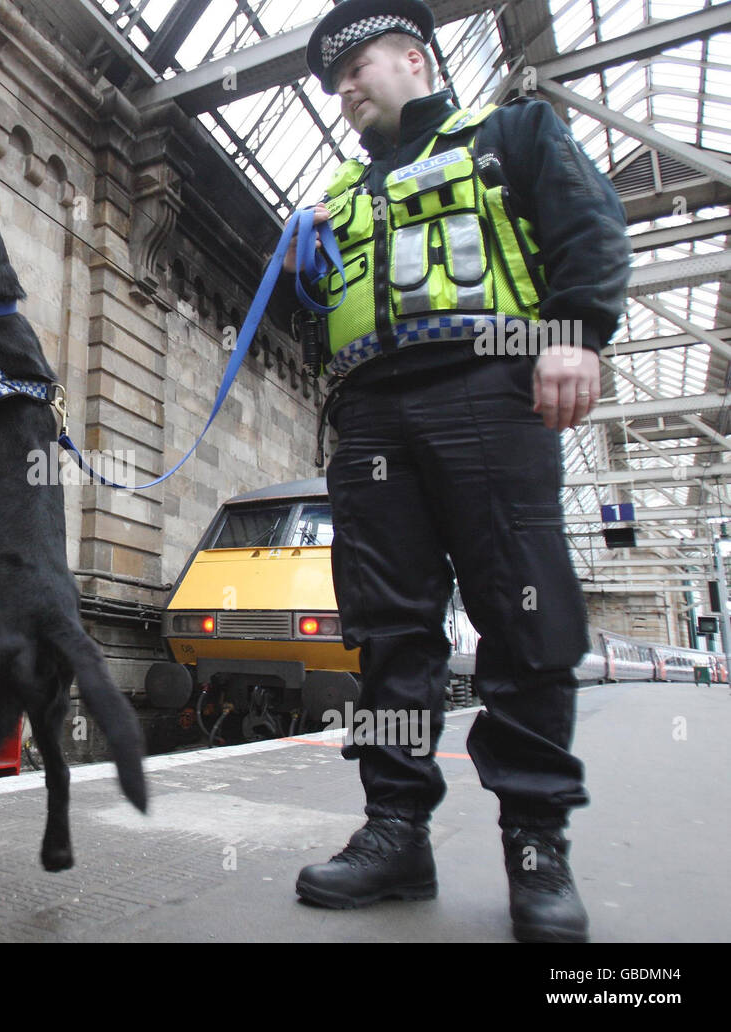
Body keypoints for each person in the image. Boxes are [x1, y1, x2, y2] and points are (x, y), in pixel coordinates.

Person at [267, 0, 631, 943]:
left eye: (357, 69)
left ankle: (536, 847)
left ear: (416, 60)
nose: (344, 92)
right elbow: (319, 311)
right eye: (332, 83)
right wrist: (304, 259)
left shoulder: (512, 134)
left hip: (489, 387)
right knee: (388, 631)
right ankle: (396, 831)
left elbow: (590, 227)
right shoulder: (339, 196)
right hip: (369, 413)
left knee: (522, 617)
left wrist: (577, 331)